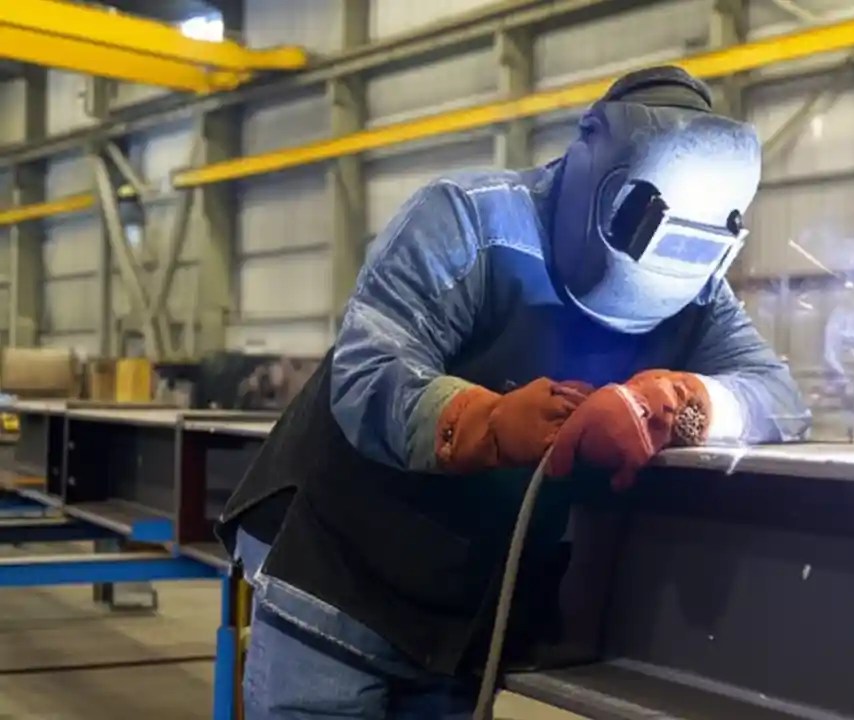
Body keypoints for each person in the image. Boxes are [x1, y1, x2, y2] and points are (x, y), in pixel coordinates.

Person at [215, 66, 810, 719]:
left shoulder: (695, 286)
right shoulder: (469, 219)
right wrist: (489, 421)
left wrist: (677, 401)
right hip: (337, 574)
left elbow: (776, 395)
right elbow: (369, 371)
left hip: (462, 618)